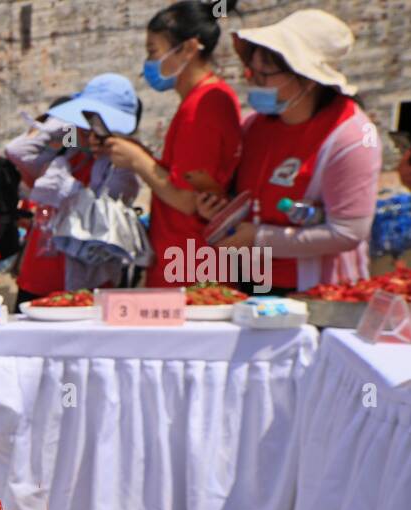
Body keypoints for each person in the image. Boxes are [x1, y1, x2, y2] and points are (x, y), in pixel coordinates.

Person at [199, 9, 382, 293]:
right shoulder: (254, 127)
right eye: (253, 72)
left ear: (308, 79)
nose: (253, 82)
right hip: (252, 284)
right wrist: (220, 210)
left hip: (316, 293)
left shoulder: (350, 139)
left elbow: (347, 232)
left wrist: (258, 238)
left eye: (266, 75)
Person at [95, 0, 242, 288]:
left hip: (191, 265)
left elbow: (186, 199)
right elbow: (184, 175)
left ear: (188, 49)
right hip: (185, 258)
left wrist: (138, 160)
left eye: (153, 51)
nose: (149, 63)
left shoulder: (203, 108)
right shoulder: (205, 100)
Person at [6, 76, 142, 299]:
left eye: (97, 127)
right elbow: (17, 151)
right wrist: (64, 119)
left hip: (85, 286)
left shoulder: (122, 168)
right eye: (85, 124)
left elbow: (101, 218)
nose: (89, 135)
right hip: (37, 279)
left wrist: (65, 187)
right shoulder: (69, 151)